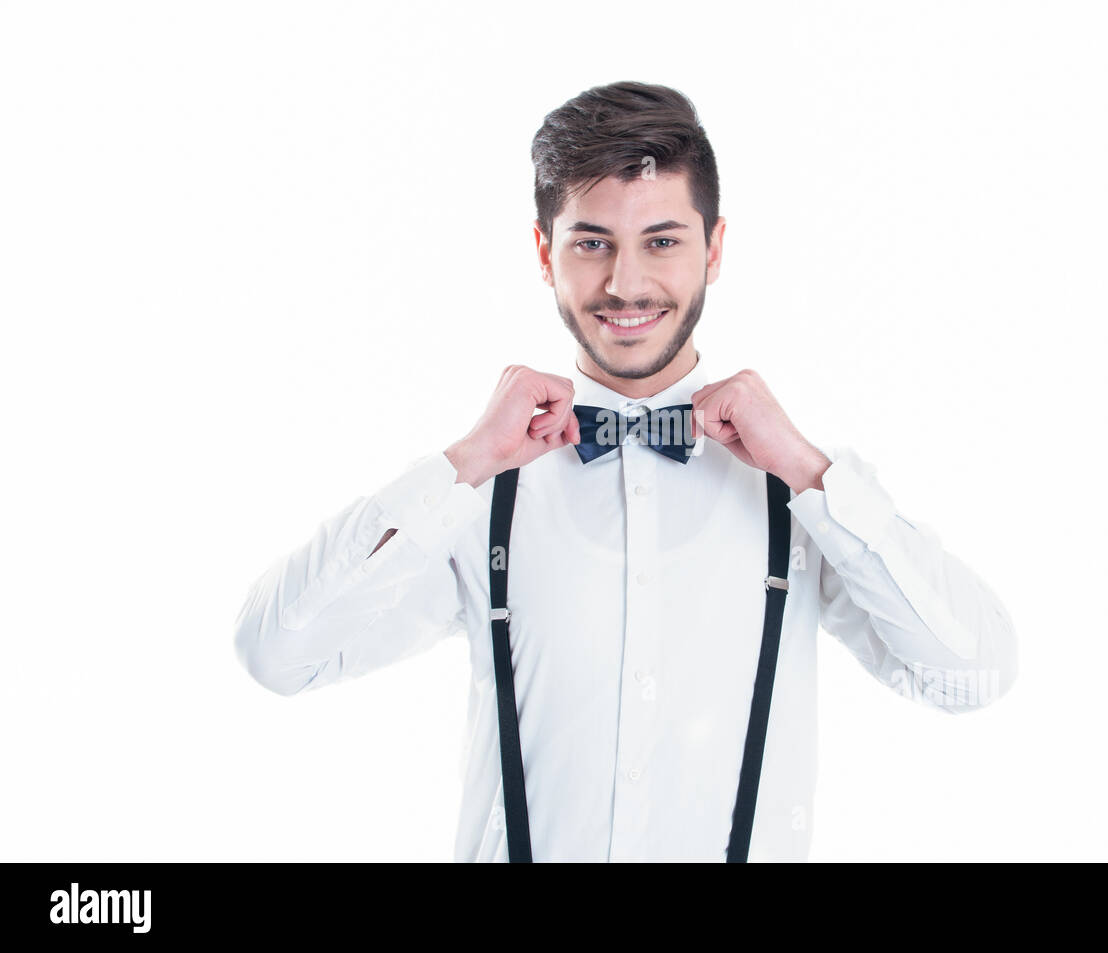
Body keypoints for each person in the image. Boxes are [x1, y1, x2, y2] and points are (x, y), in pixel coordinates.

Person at [233, 80, 1019, 862]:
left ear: (715, 248)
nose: (625, 284)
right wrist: (464, 462)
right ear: (545, 253)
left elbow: (972, 674)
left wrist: (811, 474)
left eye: (663, 240)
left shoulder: (803, 501)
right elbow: (277, 654)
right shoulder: (481, 499)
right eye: (592, 242)